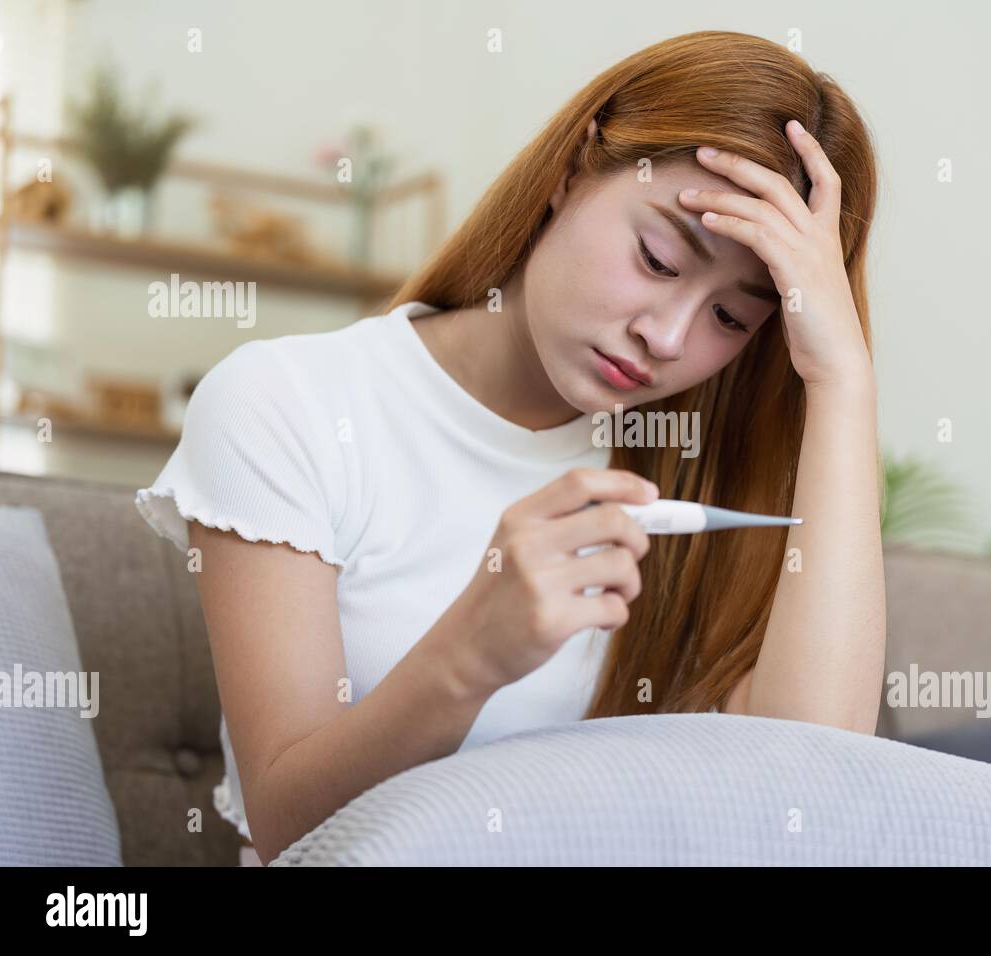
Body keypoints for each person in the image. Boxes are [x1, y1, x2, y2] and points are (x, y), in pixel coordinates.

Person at [134, 29, 886, 866]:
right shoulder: (288, 405)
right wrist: (472, 655)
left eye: (730, 318)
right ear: (571, 171)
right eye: (658, 256)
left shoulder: (694, 468)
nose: (665, 336)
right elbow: (287, 824)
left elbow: (811, 788)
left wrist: (841, 377)